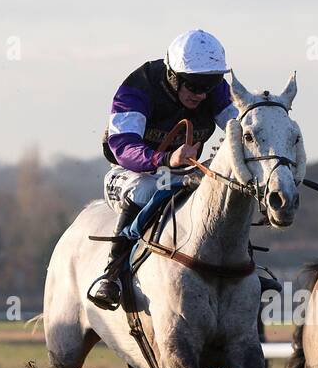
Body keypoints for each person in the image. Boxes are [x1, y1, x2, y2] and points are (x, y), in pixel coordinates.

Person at [87, 29, 238, 309]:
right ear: (173, 76)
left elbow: (239, 128)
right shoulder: (137, 88)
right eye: (193, 86)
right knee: (147, 188)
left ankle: (240, 274)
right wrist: (165, 158)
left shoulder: (212, 90)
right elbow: (123, 146)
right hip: (132, 173)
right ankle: (112, 273)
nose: (201, 95)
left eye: (209, 86)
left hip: (181, 173)